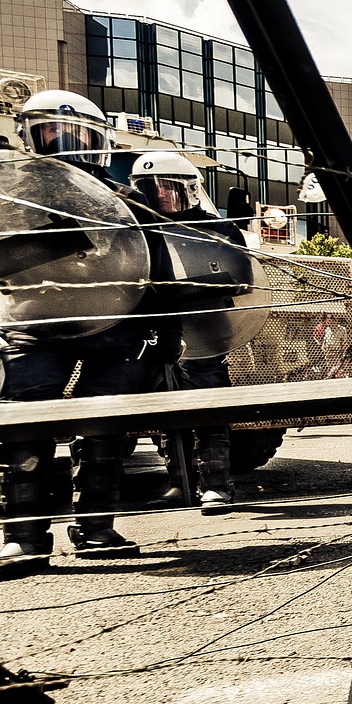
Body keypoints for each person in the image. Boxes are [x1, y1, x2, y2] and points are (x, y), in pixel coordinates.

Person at [0, 91, 152, 578]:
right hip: (31, 321)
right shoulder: (3, 193)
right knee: (20, 427)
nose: (67, 145)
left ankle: (97, 530)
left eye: (80, 136)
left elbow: (155, 269)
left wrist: (162, 331)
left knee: (104, 430)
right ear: (28, 136)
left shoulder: (126, 198)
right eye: (52, 133)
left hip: (115, 323)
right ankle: (22, 539)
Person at [129, 150, 245, 514]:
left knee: (208, 403)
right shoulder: (139, 229)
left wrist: (186, 289)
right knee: (164, 406)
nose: (159, 196)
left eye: (168, 188)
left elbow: (240, 277)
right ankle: (179, 481)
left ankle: (216, 485)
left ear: (190, 189)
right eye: (150, 188)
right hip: (151, 329)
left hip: (203, 330)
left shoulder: (218, 229)